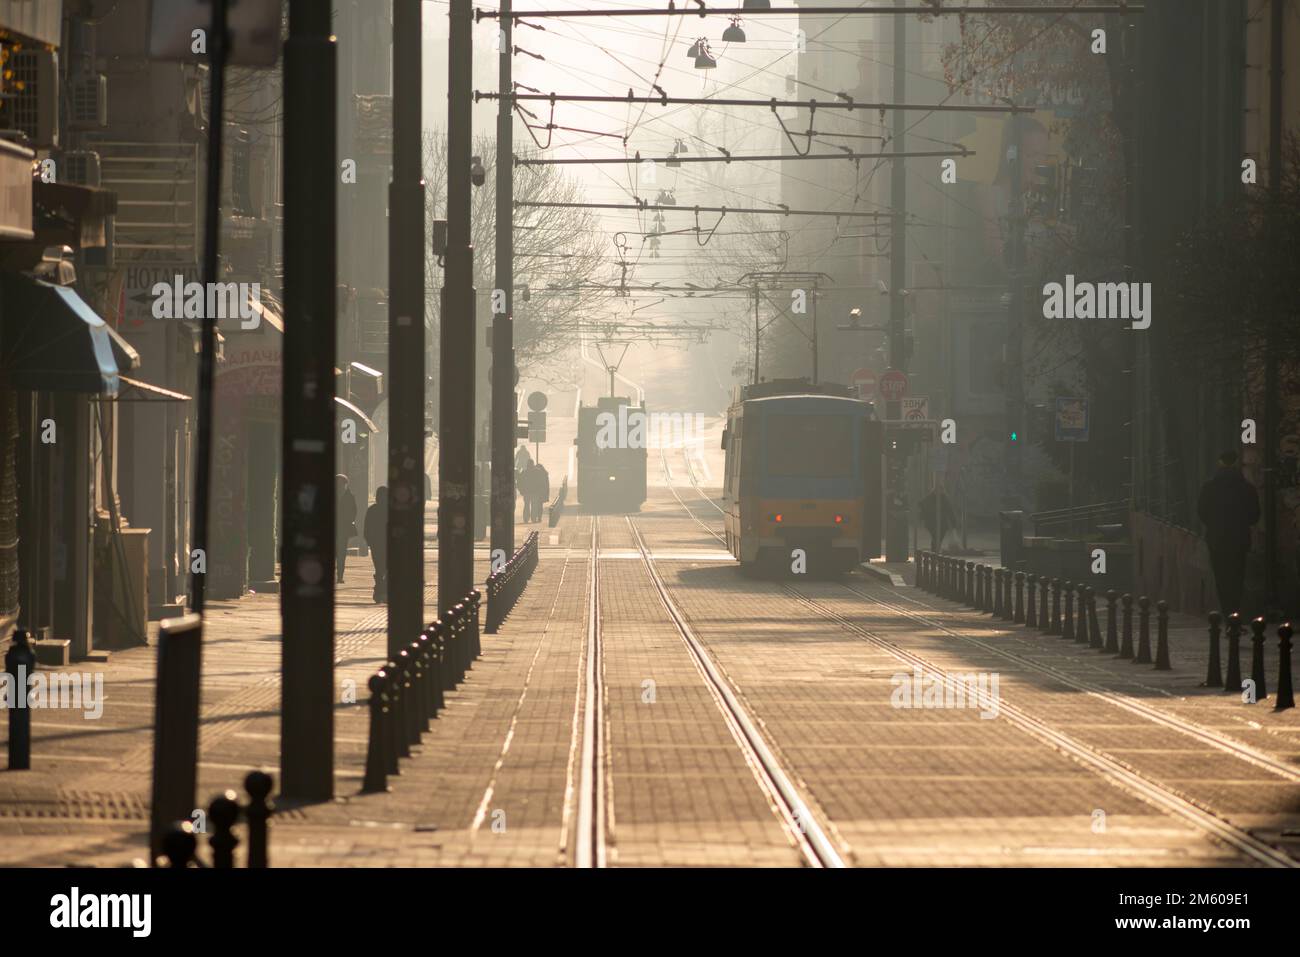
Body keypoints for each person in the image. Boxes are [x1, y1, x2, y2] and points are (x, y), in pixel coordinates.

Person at [1197, 451, 1260, 616]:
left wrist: (1215, 524)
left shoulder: (1209, 487)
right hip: (1239, 539)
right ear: (1237, 463)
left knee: (1221, 577)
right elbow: (1254, 516)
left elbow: (1202, 513)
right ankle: (1235, 611)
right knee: (1237, 576)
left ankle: (1227, 613)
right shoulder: (1247, 488)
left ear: (1219, 463)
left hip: (1216, 539)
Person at [364, 486, 389, 603]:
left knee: (379, 568)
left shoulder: (372, 510)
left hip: (376, 545)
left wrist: (369, 541)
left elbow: (367, 528)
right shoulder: (390, 509)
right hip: (387, 545)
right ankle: (383, 591)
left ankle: (379, 591)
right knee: (386, 568)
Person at [918, 486, 958, 551]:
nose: (939, 492)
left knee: (938, 538)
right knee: (936, 537)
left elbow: (950, 510)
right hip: (932, 522)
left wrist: (953, 523)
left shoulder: (944, 498)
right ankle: (935, 550)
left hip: (941, 523)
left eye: (940, 490)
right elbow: (921, 505)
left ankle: (935, 550)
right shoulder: (930, 498)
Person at [336, 474, 357, 583]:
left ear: (345, 484)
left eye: (342, 484)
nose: (340, 486)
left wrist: (349, 520)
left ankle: (340, 576)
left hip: (343, 528)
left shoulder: (350, 496)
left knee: (341, 553)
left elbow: (354, 511)